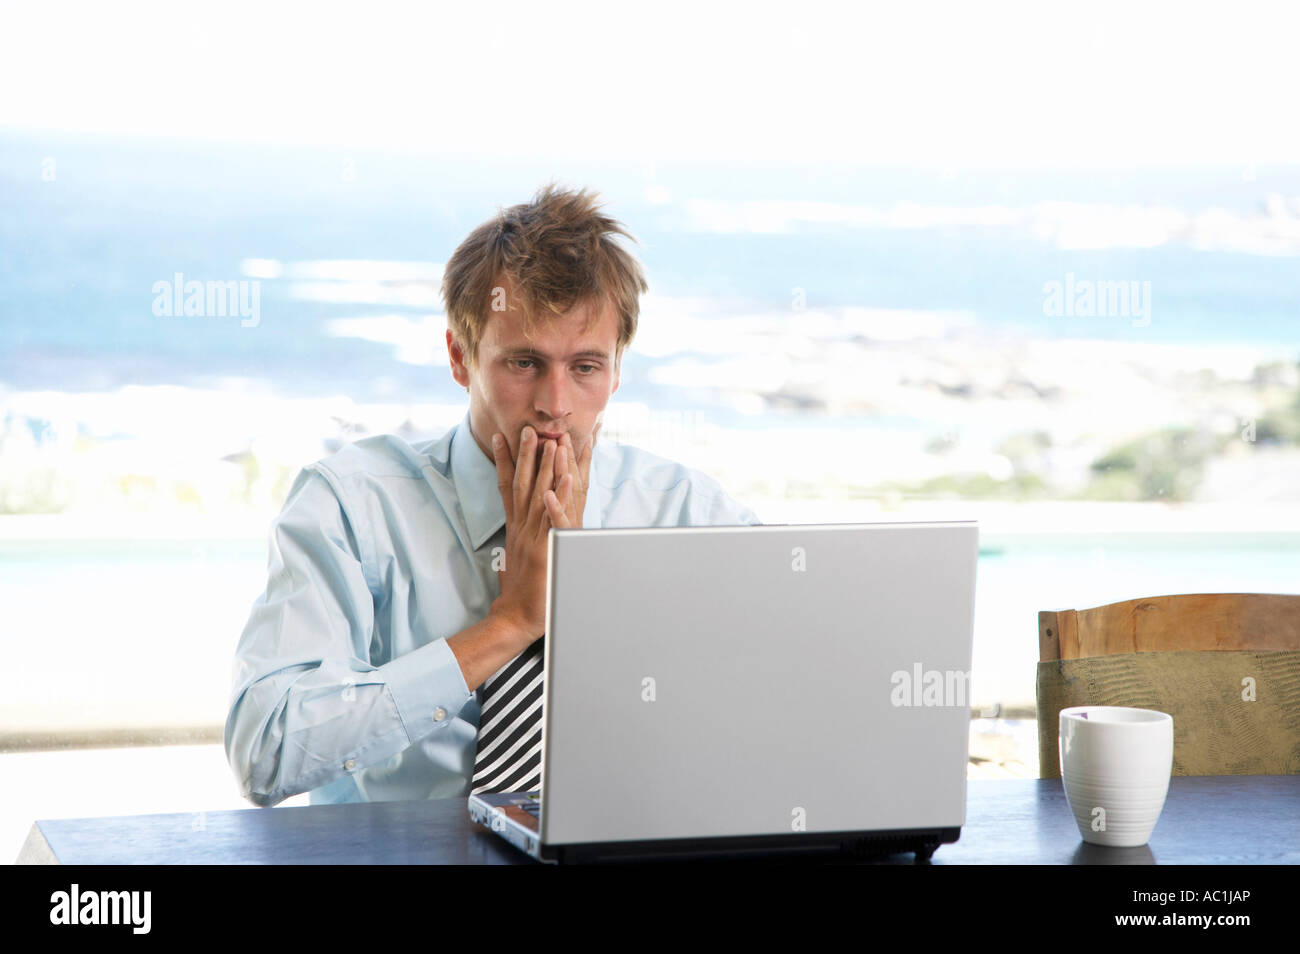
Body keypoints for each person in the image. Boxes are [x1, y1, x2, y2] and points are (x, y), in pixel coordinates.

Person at [224, 183, 760, 807]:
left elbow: (785, 712)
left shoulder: (686, 514)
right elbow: (266, 752)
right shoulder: (353, 505)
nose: (554, 406)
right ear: (460, 357)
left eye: (585, 367)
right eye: (524, 363)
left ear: (617, 370)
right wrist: (512, 625)